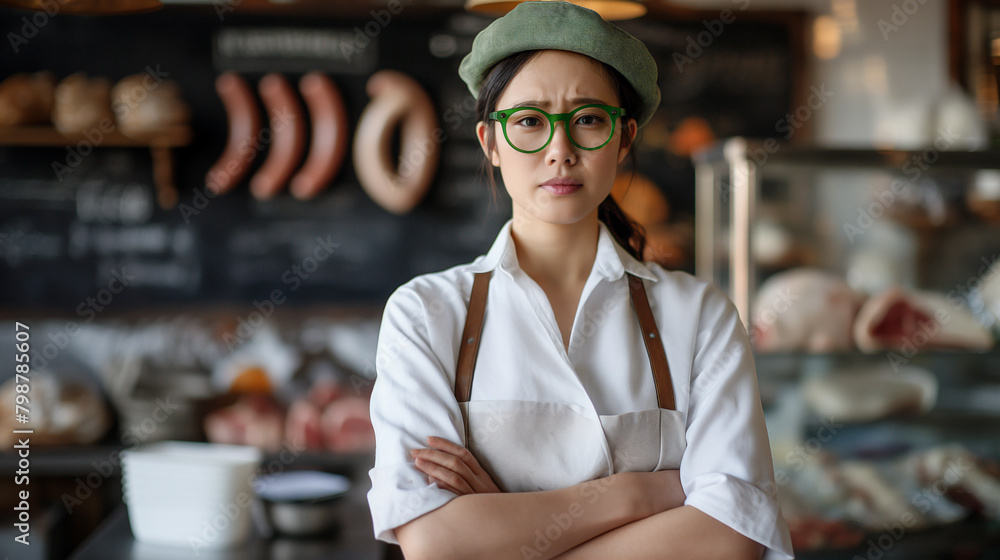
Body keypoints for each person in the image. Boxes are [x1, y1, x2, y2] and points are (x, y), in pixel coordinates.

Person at [366, 2, 793, 559]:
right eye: (528, 122)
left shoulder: (700, 315)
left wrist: (504, 535)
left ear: (624, 138)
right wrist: (641, 493)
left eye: (588, 118)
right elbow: (434, 542)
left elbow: (732, 539)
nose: (560, 151)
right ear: (490, 143)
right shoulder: (425, 313)